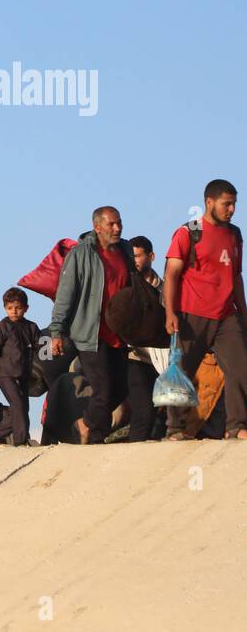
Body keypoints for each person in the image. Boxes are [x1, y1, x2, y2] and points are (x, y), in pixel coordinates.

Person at [164, 179, 247, 441]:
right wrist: (170, 312)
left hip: (226, 316)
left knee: (240, 368)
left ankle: (236, 427)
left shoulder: (234, 234)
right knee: (182, 371)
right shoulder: (189, 232)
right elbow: (171, 274)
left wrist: (243, 312)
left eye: (234, 204)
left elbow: (235, 276)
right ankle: (175, 429)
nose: (232, 209)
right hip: (191, 314)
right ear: (209, 202)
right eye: (227, 204)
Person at [49, 208, 139, 444]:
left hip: (118, 333)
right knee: (103, 389)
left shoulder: (125, 251)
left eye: (119, 223)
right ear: (97, 227)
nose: (117, 228)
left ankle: (85, 424)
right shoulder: (81, 254)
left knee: (120, 389)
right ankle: (95, 437)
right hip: (90, 334)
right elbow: (65, 295)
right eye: (111, 224)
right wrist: (57, 331)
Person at [0, 288, 41, 446]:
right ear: (4, 308)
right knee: (18, 406)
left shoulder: (32, 327)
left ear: (26, 308)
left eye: (18, 307)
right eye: (9, 308)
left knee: (22, 409)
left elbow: (42, 350)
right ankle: (21, 442)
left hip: (24, 375)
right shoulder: (2, 327)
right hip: (5, 375)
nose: (14, 311)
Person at [125, 237, 167, 441]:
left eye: (138, 256)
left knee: (165, 413)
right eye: (131, 256)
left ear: (151, 257)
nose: (134, 261)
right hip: (135, 359)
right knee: (143, 413)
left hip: (164, 361)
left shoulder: (165, 290)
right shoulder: (126, 289)